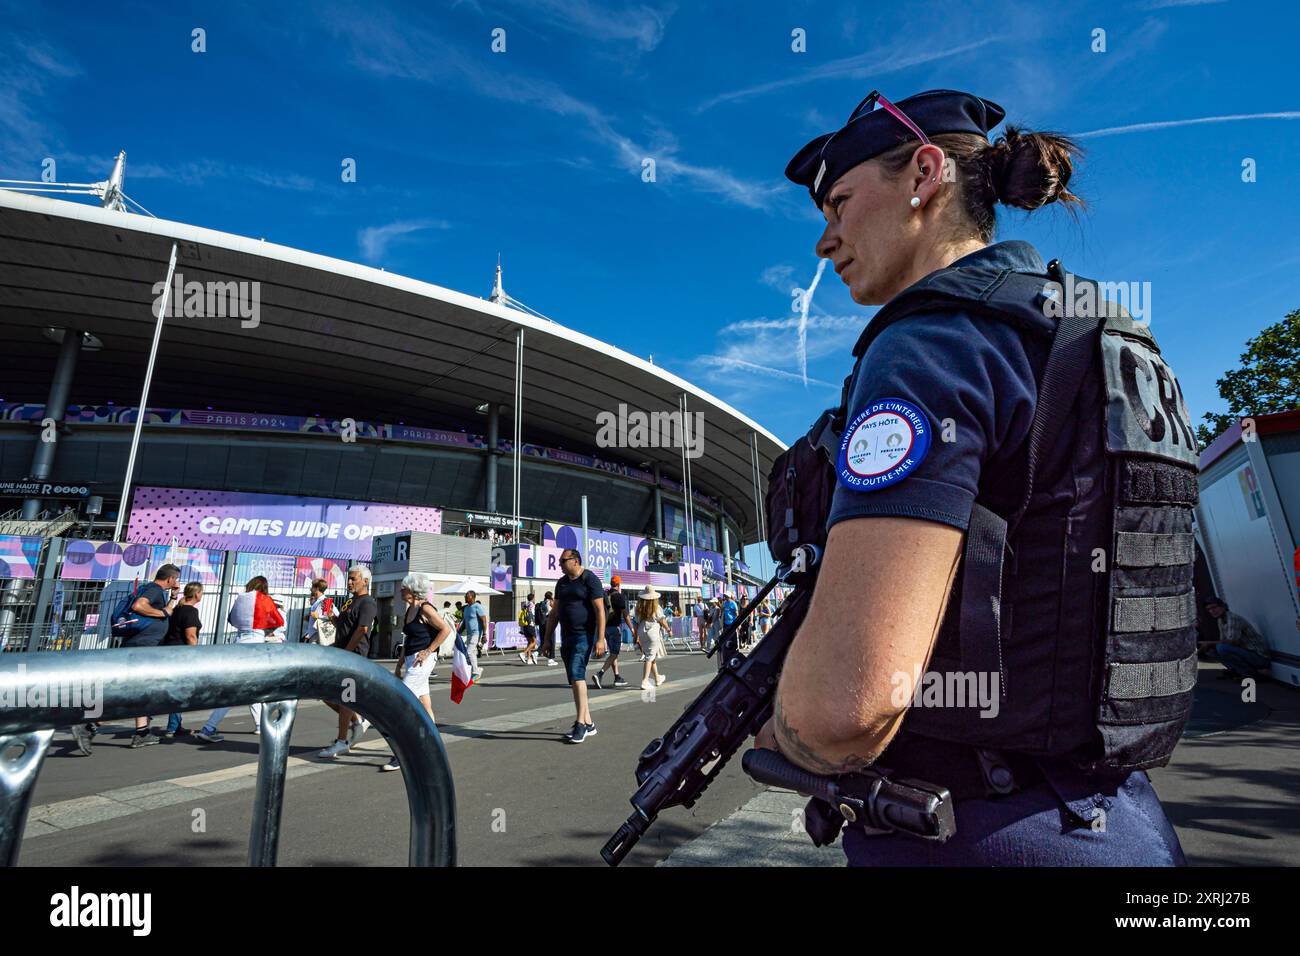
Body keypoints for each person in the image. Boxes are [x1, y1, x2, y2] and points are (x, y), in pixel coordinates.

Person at [753, 88, 1197, 866]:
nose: (826, 242)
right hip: (1122, 821)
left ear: (925, 173)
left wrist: (780, 731)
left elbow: (850, 707)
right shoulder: (1100, 333)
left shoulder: (931, 342)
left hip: (971, 832)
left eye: (840, 205)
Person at [73, 563, 182, 753]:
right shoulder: (154, 589)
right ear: (170, 579)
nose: (177, 582)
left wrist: (172, 599)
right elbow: (139, 606)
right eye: (176, 579)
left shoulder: (156, 592)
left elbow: (165, 612)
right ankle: (89, 724)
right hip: (141, 649)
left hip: (143, 648)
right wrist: (162, 612)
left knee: (141, 691)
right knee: (131, 691)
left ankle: (141, 733)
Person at [196, 576, 284, 742]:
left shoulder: (241, 598)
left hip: (238, 643)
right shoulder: (264, 599)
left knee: (252, 689)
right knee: (239, 691)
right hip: (256, 645)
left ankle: (260, 725)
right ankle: (209, 727)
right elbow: (278, 620)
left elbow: (231, 619)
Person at [384, 572, 454, 772]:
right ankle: (434, 745)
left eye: (403, 588)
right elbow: (408, 639)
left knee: (401, 703)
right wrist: (399, 663)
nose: (401, 590)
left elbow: (445, 630)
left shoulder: (426, 609)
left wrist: (428, 651)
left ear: (413, 591)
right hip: (410, 659)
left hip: (422, 661)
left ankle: (401, 753)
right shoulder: (410, 610)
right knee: (425, 705)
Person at [541, 549, 606, 743]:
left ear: (575, 561)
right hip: (566, 637)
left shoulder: (590, 579)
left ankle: (580, 724)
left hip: (583, 636)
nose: (559, 564)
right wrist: (546, 639)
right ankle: (588, 722)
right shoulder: (561, 583)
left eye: (563, 561)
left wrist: (600, 639)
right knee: (574, 679)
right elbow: (554, 614)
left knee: (578, 675)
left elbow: (600, 610)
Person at [318, 566, 379, 758]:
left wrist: (347, 653)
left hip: (353, 656)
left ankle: (342, 740)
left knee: (345, 697)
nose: (350, 582)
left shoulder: (368, 602)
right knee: (327, 694)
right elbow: (344, 625)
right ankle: (357, 719)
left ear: (365, 581)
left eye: (354, 579)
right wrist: (332, 617)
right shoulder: (350, 601)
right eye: (349, 579)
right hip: (342, 654)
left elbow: (362, 629)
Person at [161, 582, 204, 738]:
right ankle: (172, 727)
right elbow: (191, 636)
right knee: (179, 690)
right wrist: (195, 657)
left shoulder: (176, 610)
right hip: (182, 655)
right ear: (197, 594)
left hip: (169, 651)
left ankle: (175, 725)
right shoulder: (190, 612)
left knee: (175, 689)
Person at [1203, 597, 1271, 679]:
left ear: (1223, 607)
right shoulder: (1220, 620)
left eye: (1214, 607)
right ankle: (1235, 670)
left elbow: (1231, 642)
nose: (1212, 611)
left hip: (1259, 657)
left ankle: (1250, 673)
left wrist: (1209, 643)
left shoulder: (1232, 618)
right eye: (1209, 609)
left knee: (1222, 648)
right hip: (1246, 653)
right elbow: (1222, 640)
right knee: (1212, 650)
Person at [591, 575, 630, 689]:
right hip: (614, 628)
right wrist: (632, 629)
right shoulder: (619, 596)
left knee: (613, 653)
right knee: (614, 653)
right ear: (619, 584)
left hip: (605, 628)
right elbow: (625, 615)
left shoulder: (606, 595)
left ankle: (617, 677)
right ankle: (600, 674)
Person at [634, 588, 668, 690]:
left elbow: (636, 622)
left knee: (650, 655)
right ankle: (645, 681)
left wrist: (635, 635)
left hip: (641, 631)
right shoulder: (656, 607)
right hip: (652, 631)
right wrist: (669, 629)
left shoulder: (638, 607)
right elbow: (662, 620)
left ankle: (657, 678)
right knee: (649, 657)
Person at [461, 590, 488, 681]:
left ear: (472, 597)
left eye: (466, 596)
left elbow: (484, 620)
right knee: (471, 653)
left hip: (476, 633)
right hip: (469, 633)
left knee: (468, 652)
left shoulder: (477, 606)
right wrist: (458, 632)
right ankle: (476, 670)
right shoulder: (466, 608)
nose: (465, 598)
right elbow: (464, 622)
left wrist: (484, 634)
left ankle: (476, 671)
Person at [303, 578, 334, 643]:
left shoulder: (326, 601)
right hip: (313, 635)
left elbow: (327, 618)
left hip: (318, 636)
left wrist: (315, 615)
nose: (310, 589)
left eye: (312, 586)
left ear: (317, 588)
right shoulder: (318, 601)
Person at [536, 591, 558, 667]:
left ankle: (535, 654)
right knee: (552, 640)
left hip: (542, 623)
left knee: (544, 640)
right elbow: (556, 609)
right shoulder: (550, 602)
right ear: (550, 596)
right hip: (549, 622)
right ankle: (551, 659)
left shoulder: (542, 603)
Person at [518, 593, 539, 664]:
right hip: (531, 625)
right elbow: (533, 615)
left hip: (525, 625)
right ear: (533, 598)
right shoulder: (532, 605)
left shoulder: (525, 605)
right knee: (534, 642)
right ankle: (523, 653)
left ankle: (529, 659)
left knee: (529, 642)